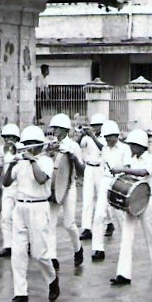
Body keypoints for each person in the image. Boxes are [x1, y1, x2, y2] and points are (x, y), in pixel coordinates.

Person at [3, 125, 59, 302]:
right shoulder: (19, 162)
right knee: (18, 253)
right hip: (20, 207)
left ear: (39, 145)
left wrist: (32, 160)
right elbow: (6, 183)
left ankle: (52, 279)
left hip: (39, 207)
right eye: (25, 143)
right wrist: (11, 164)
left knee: (39, 253)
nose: (26, 147)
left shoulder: (46, 161)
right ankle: (20, 293)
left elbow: (41, 179)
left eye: (31, 144)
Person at [108, 129, 152, 285]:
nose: (131, 148)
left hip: (146, 201)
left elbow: (143, 172)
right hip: (132, 201)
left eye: (133, 145)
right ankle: (123, 274)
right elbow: (128, 177)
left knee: (151, 237)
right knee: (126, 237)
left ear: (141, 146)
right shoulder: (131, 159)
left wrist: (123, 169)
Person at [46, 113, 85, 270]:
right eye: (54, 128)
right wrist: (49, 152)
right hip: (53, 187)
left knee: (69, 224)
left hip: (69, 186)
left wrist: (73, 157)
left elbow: (82, 171)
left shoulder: (74, 146)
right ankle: (52, 258)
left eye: (57, 128)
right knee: (50, 223)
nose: (54, 130)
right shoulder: (50, 144)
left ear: (65, 129)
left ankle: (78, 248)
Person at [91, 120, 128, 262]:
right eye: (105, 138)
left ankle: (125, 245)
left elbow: (128, 167)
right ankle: (98, 248)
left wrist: (120, 171)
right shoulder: (105, 149)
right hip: (106, 181)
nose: (107, 140)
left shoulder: (125, 149)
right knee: (99, 215)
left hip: (119, 182)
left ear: (116, 135)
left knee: (120, 216)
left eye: (109, 137)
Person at [0, 123, 20, 258]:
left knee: (21, 217)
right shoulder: (2, 150)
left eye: (11, 137)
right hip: (8, 186)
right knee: (6, 216)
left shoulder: (23, 148)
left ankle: (27, 243)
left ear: (16, 138)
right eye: (5, 137)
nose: (8, 139)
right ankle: (8, 246)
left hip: (22, 187)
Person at [77, 113, 105, 241]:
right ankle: (86, 228)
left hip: (101, 169)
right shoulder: (87, 138)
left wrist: (92, 136)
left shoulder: (106, 137)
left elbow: (103, 149)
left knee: (102, 197)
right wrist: (81, 135)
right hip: (89, 168)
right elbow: (77, 146)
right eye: (94, 125)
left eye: (98, 125)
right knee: (87, 198)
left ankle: (109, 222)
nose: (95, 128)